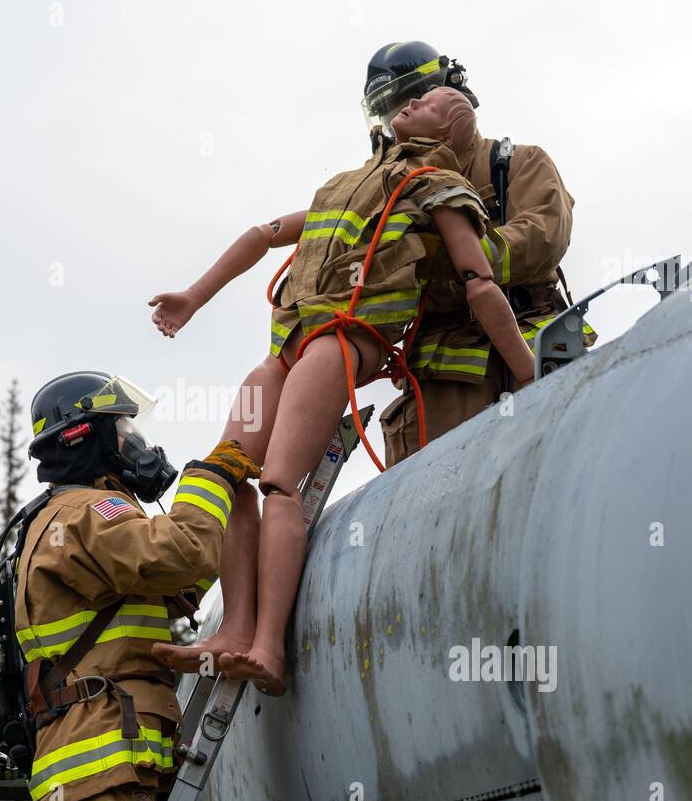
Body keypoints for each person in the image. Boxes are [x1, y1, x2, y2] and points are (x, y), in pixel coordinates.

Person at [148, 89, 535, 696]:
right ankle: (234, 630)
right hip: (287, 347)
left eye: (433, 103)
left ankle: (268, 645)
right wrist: (193, 297)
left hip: (341, 338)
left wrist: (529, 375)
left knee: (279, 484)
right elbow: (264, 234)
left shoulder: (439, 188)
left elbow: (480, 284)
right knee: (225, 474)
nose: (413, 104)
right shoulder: (344, 186)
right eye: (413, 100)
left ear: (453, 128)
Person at [18, 371, 259, 801]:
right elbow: (175, 554)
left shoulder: (68, 517)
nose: (137, 445)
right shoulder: (85, 512)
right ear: (83, 438)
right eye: (123, 431)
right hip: (100, 759)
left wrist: (229, 530)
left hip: (96, 763)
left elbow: (176, 584)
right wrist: (211, 480)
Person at [357, 41, 593, 463]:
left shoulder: (516, 162)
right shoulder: (389, 194)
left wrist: (456, 257)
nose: (397, 116)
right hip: (441, 391)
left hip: (531, 356)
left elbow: (544, 236)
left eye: (407, 98)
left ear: (450, 93)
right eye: (387, 108)